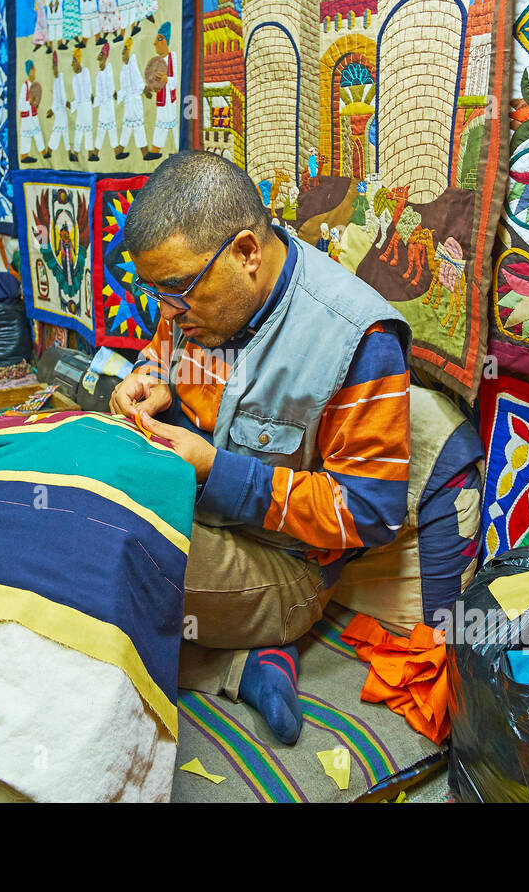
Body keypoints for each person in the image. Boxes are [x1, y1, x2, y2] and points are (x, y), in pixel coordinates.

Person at [109, 151, 412, 743]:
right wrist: (145, 383)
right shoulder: (199, 298)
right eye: (156, 294)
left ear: (247, 252)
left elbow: (370, 512)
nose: (167, 312)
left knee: (91, 548)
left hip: (284, 569)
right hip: (190, 512)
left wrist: (214, 472)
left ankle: (252, 645)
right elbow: (163, 357)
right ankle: (242, 662)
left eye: (176, 291)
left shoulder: (358, 338)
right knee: (55, 469)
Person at [146, 21, 177, 158]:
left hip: (170, 99)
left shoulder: (172, 57)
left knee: (175, 125)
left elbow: (176, 79)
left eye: (158, 39)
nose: (154, 43)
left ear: (164, 40)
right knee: (161, 125)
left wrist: (167, 79)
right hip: (161, 98)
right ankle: (155, 151)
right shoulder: (157, 61)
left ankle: (178, 151)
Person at [117, 36, 146, 159]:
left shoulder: (132, 64)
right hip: (129, 101)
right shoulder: (124, 69)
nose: (123, 56)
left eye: (124, 53)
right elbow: (124, 88)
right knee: (132, 126)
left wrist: (144, 90)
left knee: (133, 126)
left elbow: (138, 79)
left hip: (134, 99)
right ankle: (143, 153)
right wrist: (119, 96)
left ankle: (121, 151)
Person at [93, 42, 118, 158]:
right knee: (102, 129)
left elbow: (111, 87)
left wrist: (115, 95)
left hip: (109, 103)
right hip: (103, 105)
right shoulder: (99, 74)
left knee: (111, 128)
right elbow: (99, 92)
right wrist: (95, 100)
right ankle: (95, 152)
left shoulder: (108, 69)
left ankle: (116, 151)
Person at [70, 47, 94, 163]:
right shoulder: (75, 79)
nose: (71, 65)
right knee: (79, 131)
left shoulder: (85, 72)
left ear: (78, 61)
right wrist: (73, 105)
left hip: (87, 106)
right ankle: (76, 153)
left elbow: (87, 92)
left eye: (73, 61)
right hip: (81, 107)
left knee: (88, 130)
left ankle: (90, 153)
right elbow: (78, 98)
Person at [18, 60, 46, 162]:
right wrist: (28, 102)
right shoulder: (25, 86)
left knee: (37, 134)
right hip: (27, 117)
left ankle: (44, 153)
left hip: (33, 115)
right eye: (33, 68)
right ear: (30, 70)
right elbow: (20, 105)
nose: (35, 70)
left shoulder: (34, 86)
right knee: (27, 137)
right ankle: (24, 156)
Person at [45, 50, 69, 158]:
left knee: (59, 131)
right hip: (59, 110)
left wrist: (65, 104)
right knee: (63, 132)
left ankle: (50, 151)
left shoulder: (60, 78)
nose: (53, 69)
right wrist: (53, 110)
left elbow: (62, 95)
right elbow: (55, 99)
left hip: (62, 110)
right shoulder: (55, 80)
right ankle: (69, 153)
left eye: (54, 66)